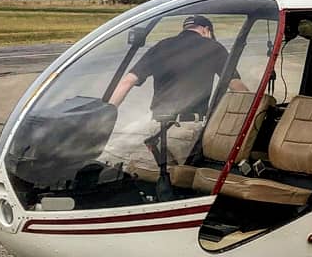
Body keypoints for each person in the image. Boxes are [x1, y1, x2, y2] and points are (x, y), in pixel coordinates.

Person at [103, 14, 241, 176]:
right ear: (206, 30)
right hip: (187, 129)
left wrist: (105, 115)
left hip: (156, 129)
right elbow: (236, 87)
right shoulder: (212, 47)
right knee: (188, 180)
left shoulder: (161, 46)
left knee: (165, 178)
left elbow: (127, 81)